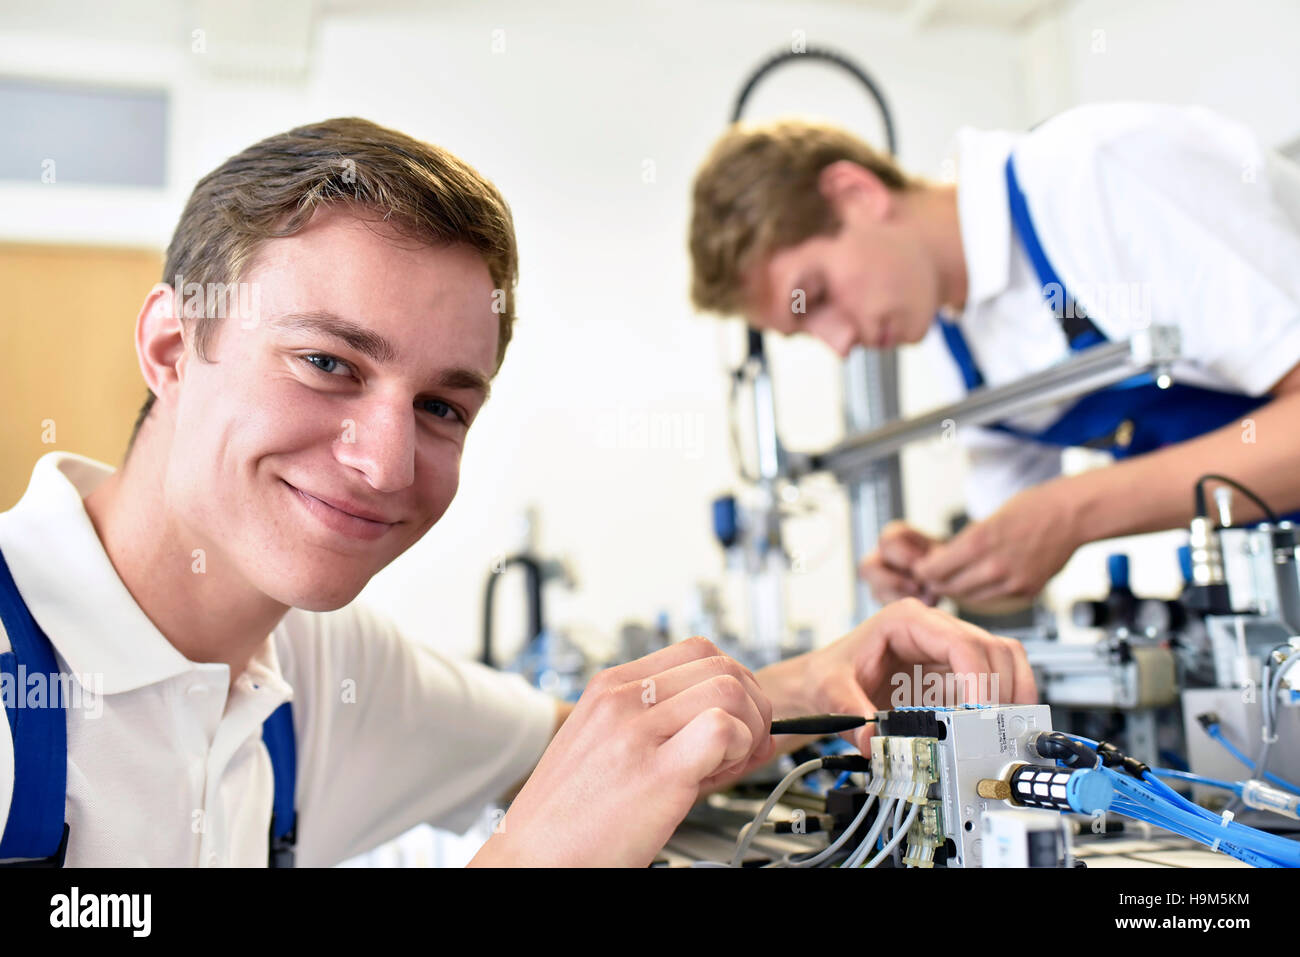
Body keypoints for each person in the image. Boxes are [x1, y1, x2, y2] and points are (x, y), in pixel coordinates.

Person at [0, 118, 1034, 868]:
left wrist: (810, 682)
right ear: (173, 347)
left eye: (444, 408)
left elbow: (570, 748)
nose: (386, 461)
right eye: (328, 364)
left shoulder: (316, 666)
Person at [689, 103, 1300, 613]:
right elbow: (1018, 550)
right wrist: (942, 571)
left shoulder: (1091, 177)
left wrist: (1076, 511)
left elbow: (1059, 516)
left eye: (817, 297)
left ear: (857, 192)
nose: (839, 343)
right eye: (806, 332)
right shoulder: (955, 339)